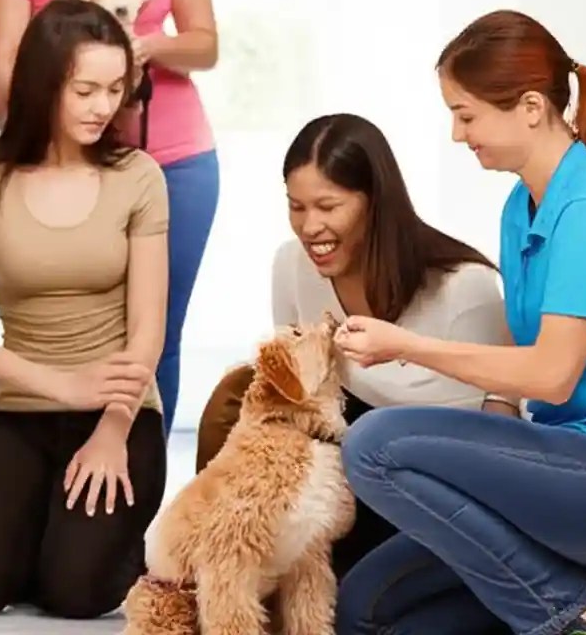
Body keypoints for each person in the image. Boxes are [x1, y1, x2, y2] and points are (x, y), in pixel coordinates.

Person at [334, 9, 586, 635]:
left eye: (465, 114)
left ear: (531, 106)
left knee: (374, 446)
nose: (455, 133)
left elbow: (551, 376)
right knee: (366, 609)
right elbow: (526, 364)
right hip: (564, 468)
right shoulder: (522, 204)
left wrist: (408, 347)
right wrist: (490, 440)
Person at [194, 112, 516, 581]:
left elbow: (501, 421)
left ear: (374, 203)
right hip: (338, 460)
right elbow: (292, 391)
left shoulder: (465, 288)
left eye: (328, 206)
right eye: (296, 206)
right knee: (237, 392)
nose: (309, 227)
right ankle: (221, 570)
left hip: (431, 479)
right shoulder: (291, 266)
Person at [0, 0, 168, 620]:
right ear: (42, 84)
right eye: (85, 89)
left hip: (120, 413)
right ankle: (55, 532)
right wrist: (60, 386)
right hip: (23, 406)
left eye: (115, 88)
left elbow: (147, 331)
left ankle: (107, 541)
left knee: (75, 596)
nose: (103, 106)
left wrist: (113, 428)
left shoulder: (139, 177)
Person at [0, 0, 220, 436]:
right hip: (67, 161)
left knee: (157, 329)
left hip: (175, 160)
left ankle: (140, 475)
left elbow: (206, 45)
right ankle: (68, 465)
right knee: (72, 321)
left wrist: (147, 47)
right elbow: (8, 63)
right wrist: (21, 150)